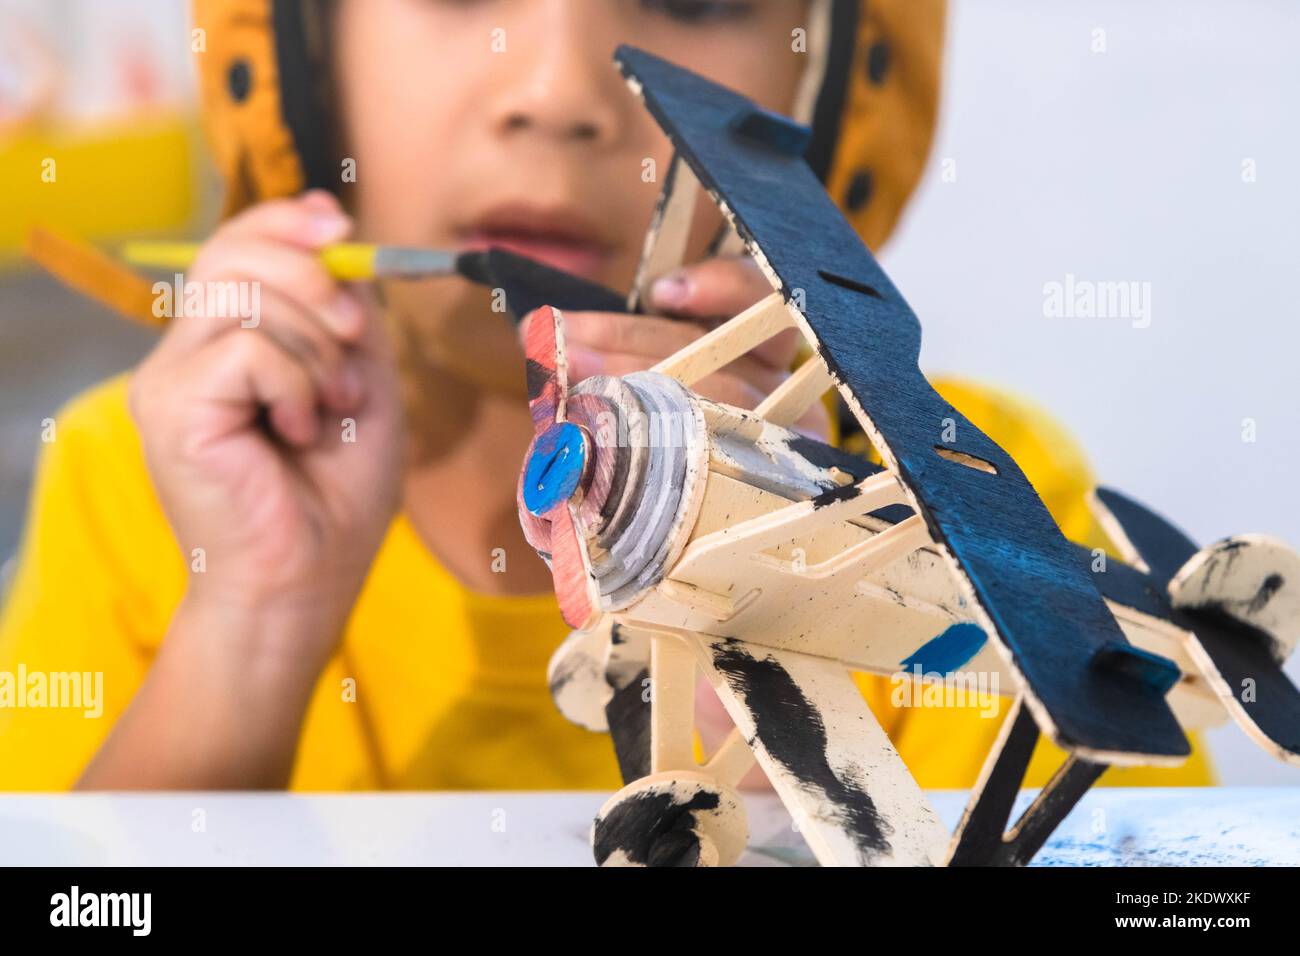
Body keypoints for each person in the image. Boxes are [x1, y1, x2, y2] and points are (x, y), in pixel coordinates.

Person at [0, 0, 1212, 790]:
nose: (555, 90)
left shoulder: (968, 503)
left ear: (836, 100)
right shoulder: (148, 482)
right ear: (299, 58)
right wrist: (248, 625)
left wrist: (760, 616)